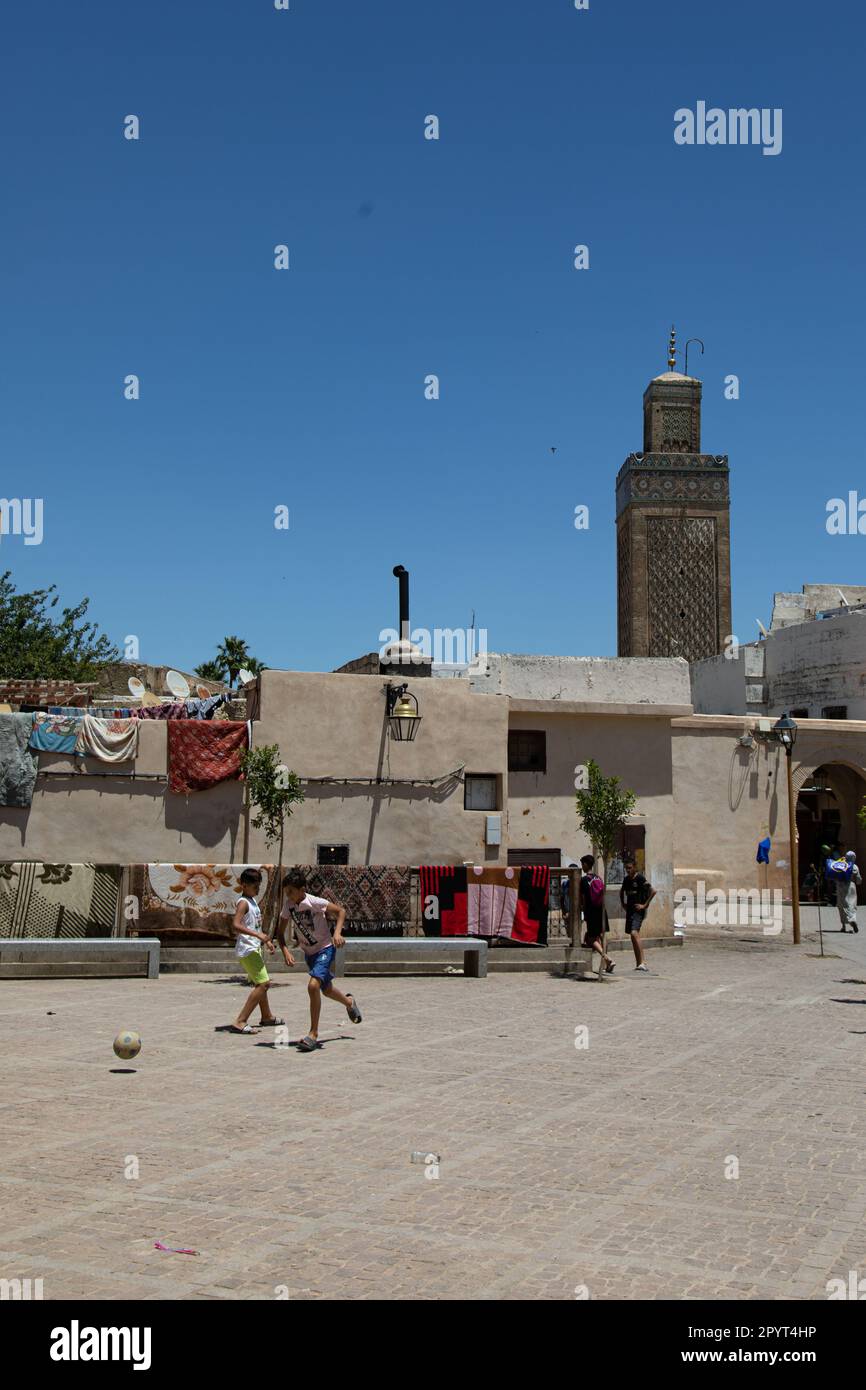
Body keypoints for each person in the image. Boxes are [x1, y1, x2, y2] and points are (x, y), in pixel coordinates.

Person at [278, 869, 362, 1052]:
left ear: (302, 889)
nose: (288, 895)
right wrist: (285, 951)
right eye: (286, 892)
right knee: (327, 990)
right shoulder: (288, 906)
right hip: (310, 954)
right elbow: (280, 932)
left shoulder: (315, 902)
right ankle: (349, 1002)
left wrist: (337, 933)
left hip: (325, 949)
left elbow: (341, 911)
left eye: (291, 891)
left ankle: (313, 1034)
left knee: (313, 986)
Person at [228, 867, 283, 1034]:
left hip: (254, 948)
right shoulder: (243, 902)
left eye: (259, 886)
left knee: (261, 983)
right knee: (264, 984)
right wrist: (258, 935)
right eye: (254, 886)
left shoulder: (252, 902)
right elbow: (236, 925)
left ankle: (266, 1016)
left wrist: (265, 941)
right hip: (248, 949)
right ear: (244, 885)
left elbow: (255, 925)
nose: (257, 890)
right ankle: (240, 1020)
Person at [578, 855, 615, 974]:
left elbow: (583, 898)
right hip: (601, 910)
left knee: (590, 938)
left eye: (582, 864)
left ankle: (607, 958)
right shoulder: (598, 878)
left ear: (585, 864)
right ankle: (605, 964)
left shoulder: (584, 880)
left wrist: (582, 909)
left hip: (591, 911)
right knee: (603, 935)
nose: (582, 866)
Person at [620, 858, 655, 971]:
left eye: (630, 868)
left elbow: (653, 891)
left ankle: (643, 962)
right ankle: (638, 963)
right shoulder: (626, 880)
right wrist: (623, 904)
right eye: (626, 868)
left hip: (638, 912)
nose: (628, 870)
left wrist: (645, 905)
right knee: (632, 935)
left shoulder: (640, 878)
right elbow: (621, 891)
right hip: (629, 910)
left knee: (634, 933)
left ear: (634, 867)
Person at [837, 851, 861, 934]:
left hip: (841, 887)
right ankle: (852, 920)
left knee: (841, 906)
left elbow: (835, 877)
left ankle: (843, 926)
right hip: (851, 887)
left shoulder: (841, 865)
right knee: (851, 905)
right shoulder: (855, 867)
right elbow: (858, 880)